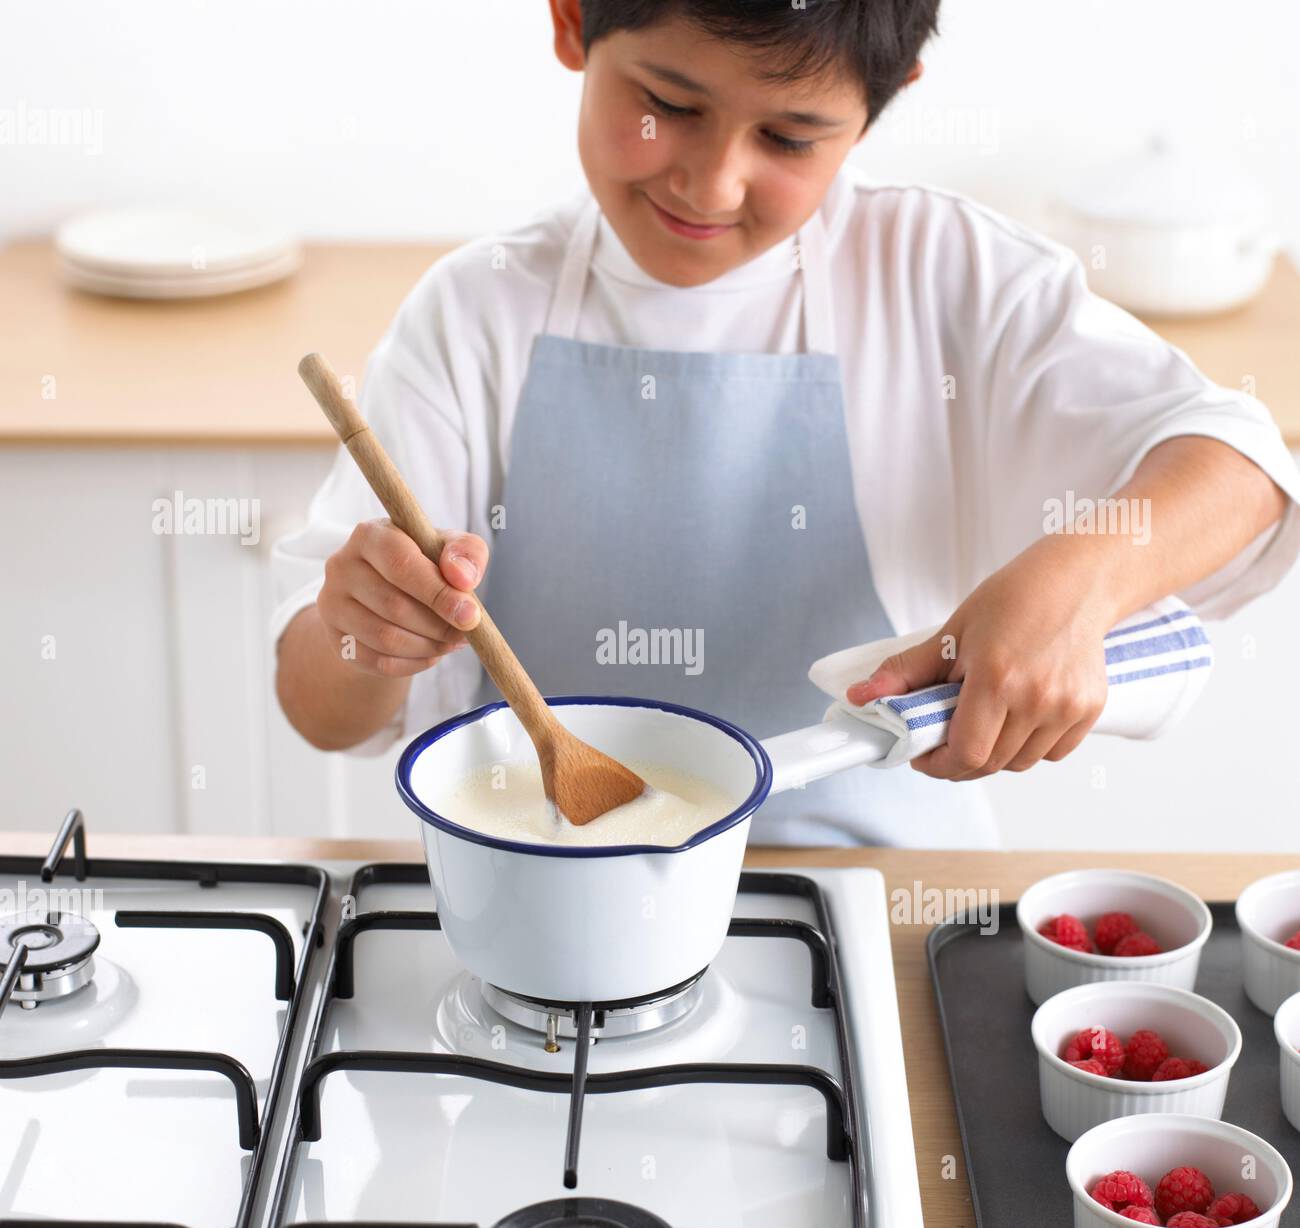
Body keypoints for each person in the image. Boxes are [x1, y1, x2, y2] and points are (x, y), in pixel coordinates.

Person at [271, 0, 1299, 847]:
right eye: (667, 104)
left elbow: (1243, 464)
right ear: (572, 21)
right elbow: (320, 706)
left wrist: (1074, 585)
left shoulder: (944, 276)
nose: (710, 181)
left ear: (881, 105)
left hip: (877, 894)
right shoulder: (473, 311)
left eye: (789, 137)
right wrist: (363, 633)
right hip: (536, 889)